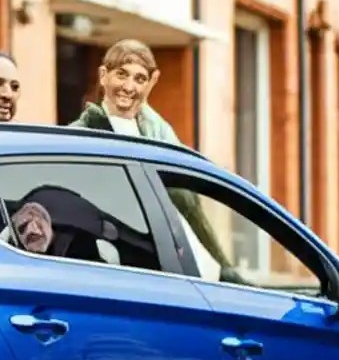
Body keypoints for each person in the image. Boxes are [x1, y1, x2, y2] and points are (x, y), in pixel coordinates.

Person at [69, 39, 238, 279]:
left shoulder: (158, 134)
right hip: (114, 263)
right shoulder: (82, 133)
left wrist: (223, 266)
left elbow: (186, 203)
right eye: (121, 75)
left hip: (174, 262)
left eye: (139, 79)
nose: (129, 86)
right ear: (103, 75)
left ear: (152, 83)